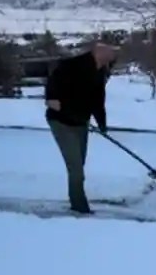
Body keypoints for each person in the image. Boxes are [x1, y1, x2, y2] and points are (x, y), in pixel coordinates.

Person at [45, 43, 117, 213]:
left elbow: (98, 101)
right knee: (76, 168)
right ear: (98, 54)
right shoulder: (73, 65)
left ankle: (76, 199)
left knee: (79, 164)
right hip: (61, 122)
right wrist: (50, 98)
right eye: (108, 59)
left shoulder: (99, 74)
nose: (109, 63)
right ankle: (79, 207)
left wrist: (102, 125)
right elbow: (53, 81)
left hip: (81, 123)